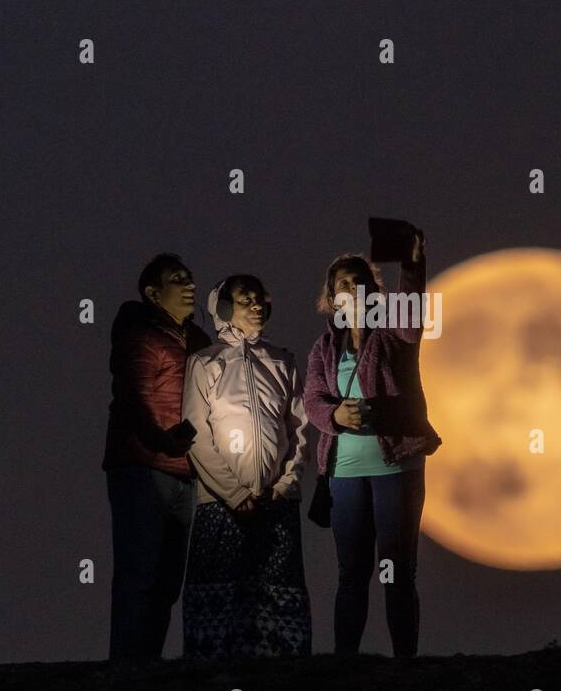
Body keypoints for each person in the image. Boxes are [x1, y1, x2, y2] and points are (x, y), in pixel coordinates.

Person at [304, 227, 441, 657]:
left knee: (399, 570)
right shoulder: (325, 346)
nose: (351, 286)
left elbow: (413, 313)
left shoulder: (394, 331)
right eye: (342, 281)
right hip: (343, 472)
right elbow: (311, 398)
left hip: (395, 466)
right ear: (331, 295)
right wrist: (334, 415)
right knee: (352, 573)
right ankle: (345, 662)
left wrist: (413, 266)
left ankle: (404, 663)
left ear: (373, 286)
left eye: (359, 277)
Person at [180, 274, 313, 658]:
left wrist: (286, 485)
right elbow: (196, 435)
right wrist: (234, 493)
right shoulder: (204, 363)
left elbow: (300, 430)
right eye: (245, 299)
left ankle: (280, 678)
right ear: (222, 307)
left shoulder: (282, 361)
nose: (257, 305)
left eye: (260, 299)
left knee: (276, 595)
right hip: (221, 505)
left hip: (276, 503)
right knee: (220, 598)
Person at [101, 252, 212, 660]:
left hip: (183, 471)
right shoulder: (141, 336)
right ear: (153, 292)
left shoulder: (197, 342)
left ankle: (146, 663)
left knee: (167, 579)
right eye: (177, 278)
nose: (189, 283)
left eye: (189, 275)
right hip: (141, 467)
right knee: (139, 571)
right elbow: (134, 398)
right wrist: (164, 441)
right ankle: (128, 664)